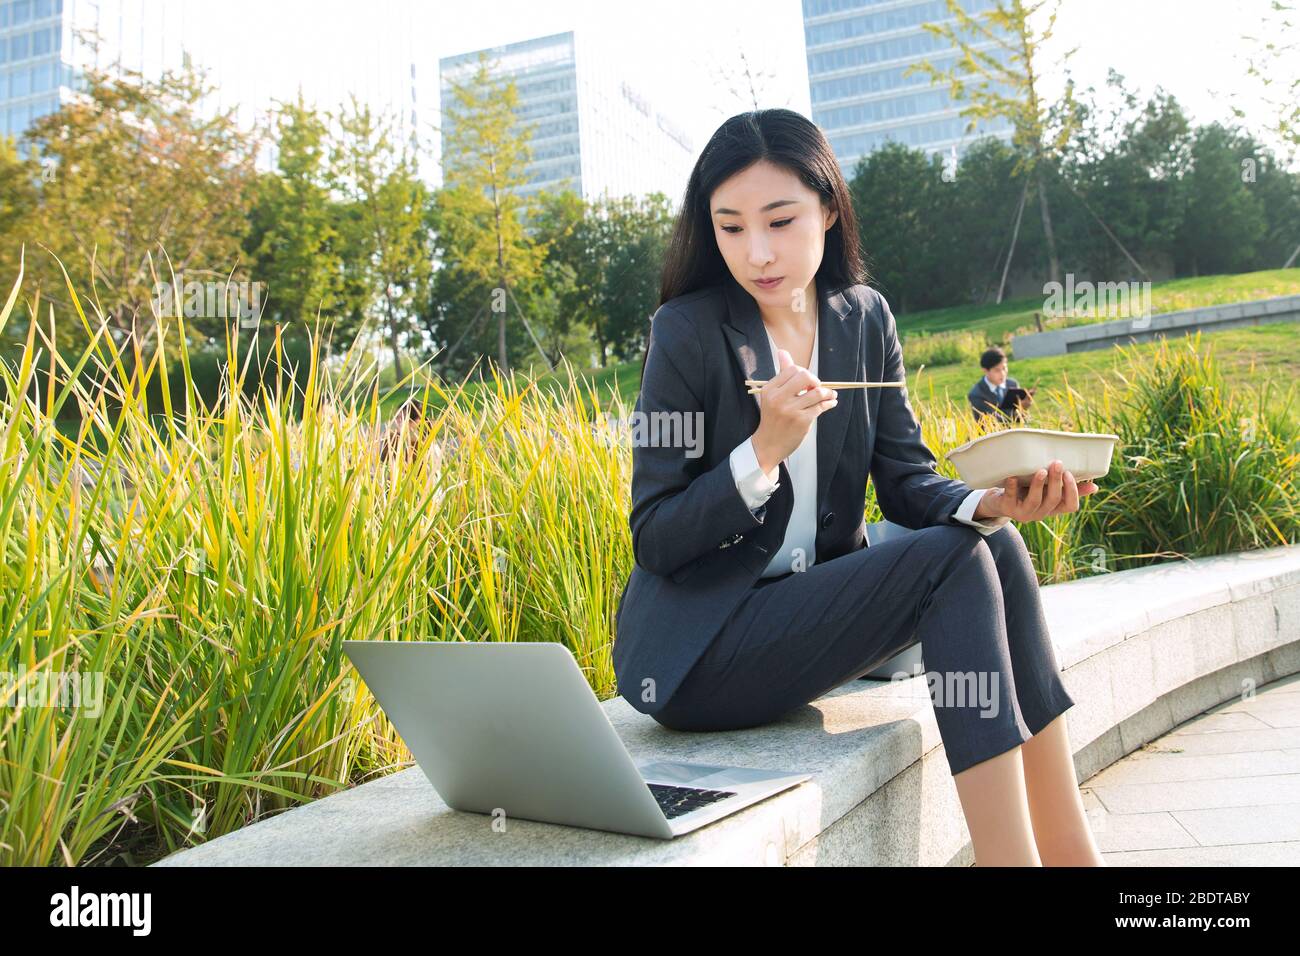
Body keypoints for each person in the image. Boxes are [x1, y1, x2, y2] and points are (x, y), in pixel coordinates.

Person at [612, 108, 1104, 866]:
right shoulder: (686, 331)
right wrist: (759, 455)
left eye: (780, 220)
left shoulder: (864, 316)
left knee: (990, 542)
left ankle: (1072, 852)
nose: (759, 251)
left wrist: (992, 501)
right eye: (731, 227)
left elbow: (907, 479)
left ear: (829, 208)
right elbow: (655, 534)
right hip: (703, 653)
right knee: (953, 560)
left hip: (811, 617)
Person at [968, 347, 1027, 423]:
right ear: (985, 371)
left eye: (1004, 368)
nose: (1002, 373)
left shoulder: (1012, 384)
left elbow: (1021, 417)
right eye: (997, 370)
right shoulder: (976, 394)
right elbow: (994, 421)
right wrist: (1019, 410)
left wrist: (1023, 408)